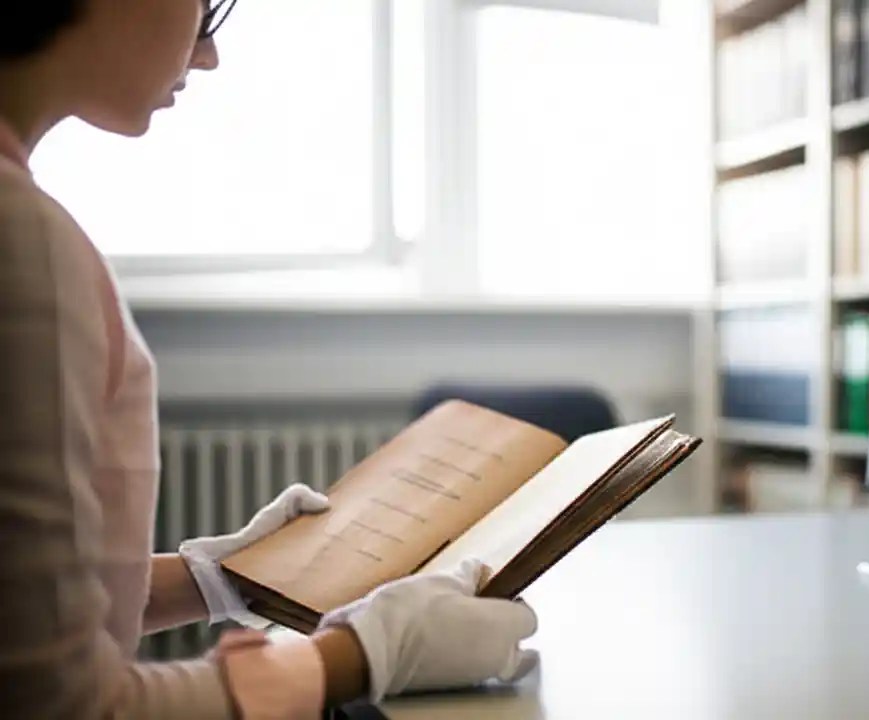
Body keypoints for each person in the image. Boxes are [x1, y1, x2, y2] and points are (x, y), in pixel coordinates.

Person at [0, 1, 538, 717]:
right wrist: (362, 656)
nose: (206, 53)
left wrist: (217, 579)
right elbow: (62, 705)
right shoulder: (22, 241)